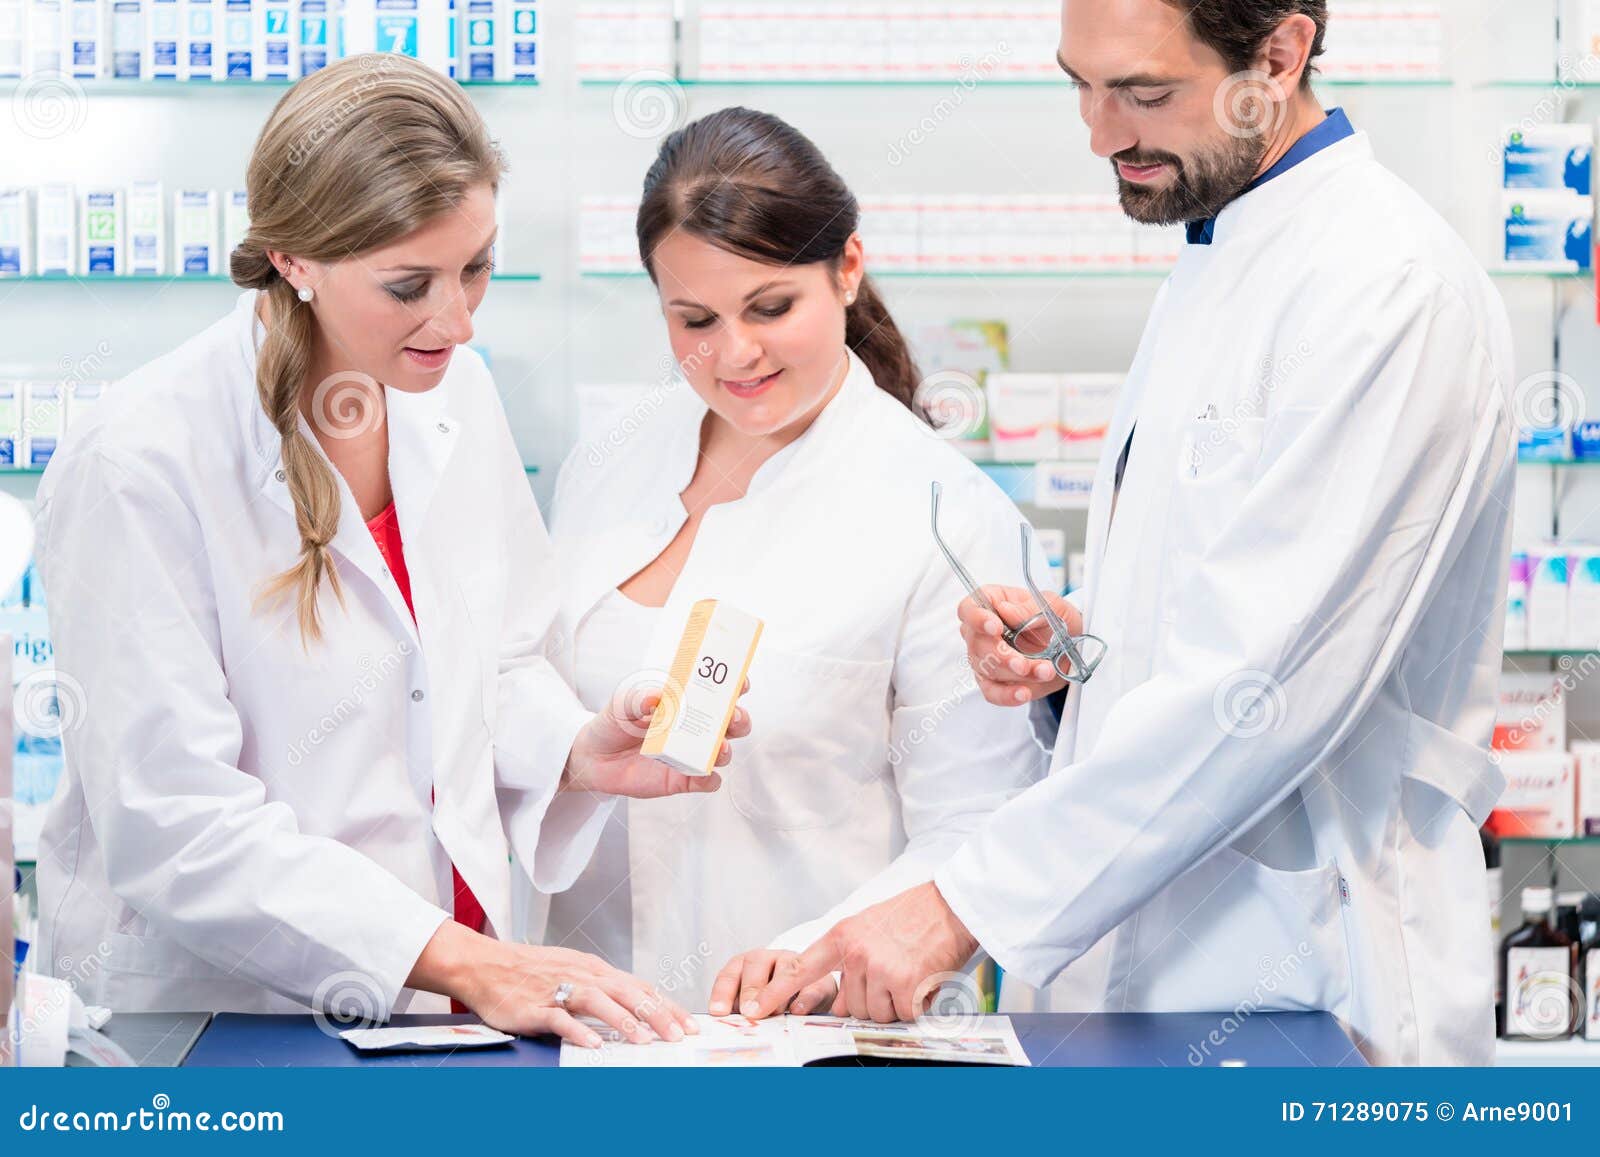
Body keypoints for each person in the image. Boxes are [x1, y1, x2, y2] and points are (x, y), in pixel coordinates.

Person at [754, 0, 1515, 1066]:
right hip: (1140, 977)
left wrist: (957, 905)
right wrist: (1078, 664)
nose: (1101, 133)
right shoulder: (1218, 255)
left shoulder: (1387, 289)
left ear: (1280, 53)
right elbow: (1223, 609)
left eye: (1143, 92)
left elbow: (1258, 687)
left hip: (1312, 977)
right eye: (1080, 85)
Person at [32, 54, 748, 1048]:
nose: (458, 320)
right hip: (224, 1019)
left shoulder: (453, 391)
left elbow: (499, 657)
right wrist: (466, 960)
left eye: (477, 266)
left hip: (451, 998)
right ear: (293, 258)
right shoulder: (141, 458)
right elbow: (175, 821)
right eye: (409, 284)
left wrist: (576, 747)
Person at [525, 107, 1049, 1015]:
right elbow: (523, 705)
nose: (736, 353)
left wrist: (816, 954)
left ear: (847, 268)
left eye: (772, 307)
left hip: (804, 1031)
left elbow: (975, 822)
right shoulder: (605, 464)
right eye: (695, 318)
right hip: (584, 1020)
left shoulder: (946, 516)